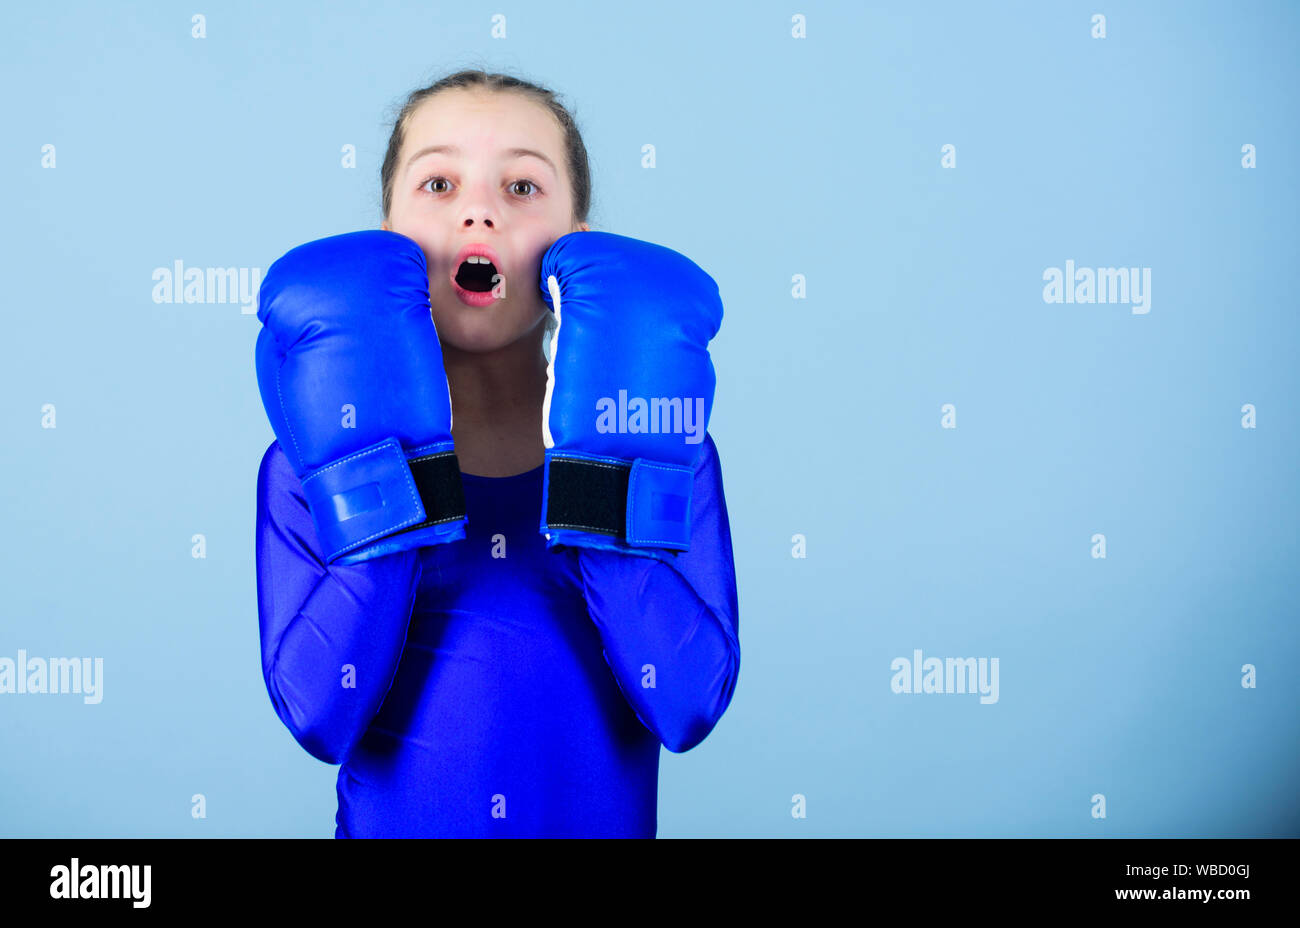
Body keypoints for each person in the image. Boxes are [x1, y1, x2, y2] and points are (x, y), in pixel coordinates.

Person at [253, 69, 740, 837]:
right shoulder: (310, 460)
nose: (479, 211)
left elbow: (687, 702)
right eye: (439, 183)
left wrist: (600, 483)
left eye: (521, 187)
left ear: (578, 244)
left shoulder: (668, 447)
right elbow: (320, 715)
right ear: (386, 237)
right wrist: (385, 475)